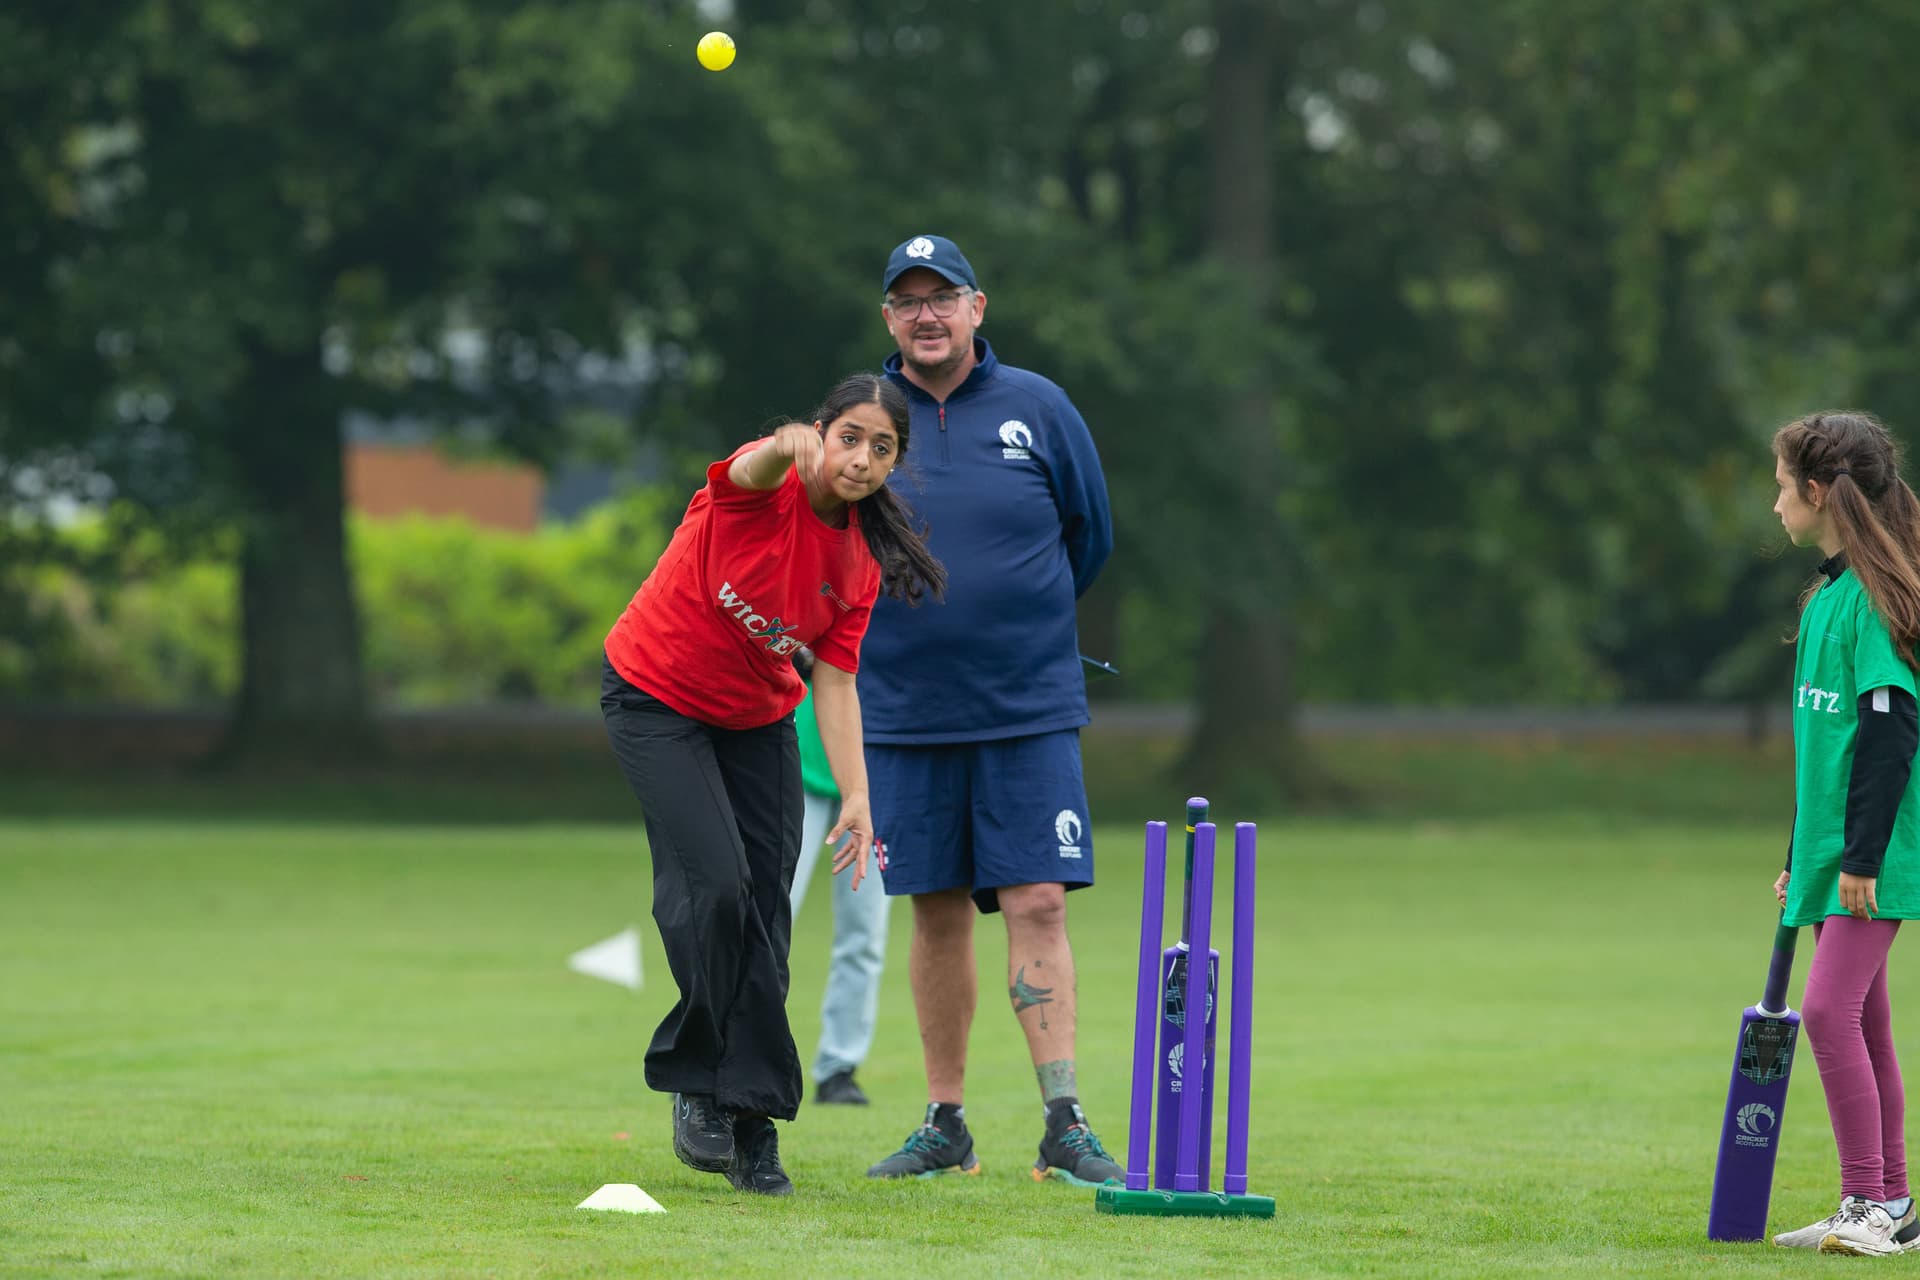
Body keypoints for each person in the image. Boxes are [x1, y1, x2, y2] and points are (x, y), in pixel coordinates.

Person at [599, 372, 943, 1197]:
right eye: (848, 437)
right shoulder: (769, 483)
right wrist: (779, 446)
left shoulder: (859, 561)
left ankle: (751, 1122)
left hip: (756, 720)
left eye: (882, 448)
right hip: (654, 696)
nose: (861, 459)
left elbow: (834, 681)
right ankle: (698, 1080)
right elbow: (747, 471)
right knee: (714, 888)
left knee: (766, 919)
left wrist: (857, 794)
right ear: (821, 434)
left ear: (896, 464)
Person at [858, 234, 1121, 1186]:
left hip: (1027, 703)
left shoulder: (1038, 408)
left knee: (1040, 899)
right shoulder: (866, 418)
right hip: (904, 709)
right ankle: (945, 1124)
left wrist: (1013, 615)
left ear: (978, 307)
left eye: (944, 296)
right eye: (907, 300)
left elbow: (1087, 537)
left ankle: (1064, 1121)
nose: (927, 313)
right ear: (889, 318)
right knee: (934, 914)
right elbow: (826, 537)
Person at [1766, 411, 1920, 1255]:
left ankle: (1866, 1202)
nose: (1776, 504)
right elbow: (1820, 747)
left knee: (1825, 1013)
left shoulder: (1868, 598)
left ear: (1819, 493)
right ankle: (1891, 1203)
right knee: (1863, 1024)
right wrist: (1803, 857)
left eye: (1783, 487)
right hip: (1836, 854)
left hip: (1876, 854)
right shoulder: (1826, 595)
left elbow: (1892, 731)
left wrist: (1859, 856)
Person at [788, 648, 892, 1106]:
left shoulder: (909, 587)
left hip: (879, 778)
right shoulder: (824, 581)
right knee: (762, 920)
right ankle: (716, 1059)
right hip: (796, 768)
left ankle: (839, 1068)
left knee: (865, 931)